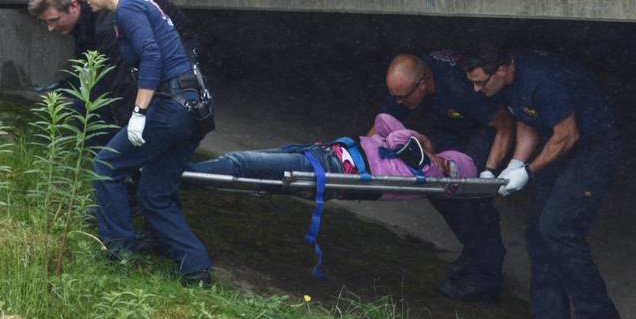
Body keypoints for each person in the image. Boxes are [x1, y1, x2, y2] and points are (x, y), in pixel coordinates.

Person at [463, 43, 623, 319]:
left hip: (593, 147)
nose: (477, 89)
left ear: (504, 69)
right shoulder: (507, 84)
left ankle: (597, 314)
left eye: (482, 82)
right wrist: (514, 165)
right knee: (538, 229)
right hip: (561, 145)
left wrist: (530, 171)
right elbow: (528, 122)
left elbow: (567, 134)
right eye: (472, 82)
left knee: (558, 226)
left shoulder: (542, 79)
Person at [76, 0, 213, 287]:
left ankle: (119, 253)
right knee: (154, 192)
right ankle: (195, 269)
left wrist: (139, 113)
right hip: (195, 108)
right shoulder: (142, 0)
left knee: (106, 167)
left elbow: (151, 55)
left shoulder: (128, 8)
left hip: (173, 108)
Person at [385, 51, 515, 301]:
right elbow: (387, 119)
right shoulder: (405, 84)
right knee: (436, 188)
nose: (398, 102)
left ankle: (486, 279)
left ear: (422, 84)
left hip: (484, 130)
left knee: (468, 196)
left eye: (402, 97)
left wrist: (488, 173)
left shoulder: (460, 87)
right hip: (448, 128)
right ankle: (473, 249)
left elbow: (504, 123)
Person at [25, 0, 201, 142]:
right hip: (145, 55)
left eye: (53, 20)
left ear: (73, 5)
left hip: (178, 60)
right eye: (45, 22)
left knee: (110, 109)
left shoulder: (107, 23)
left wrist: (130, 127)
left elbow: (122, 82)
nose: (49, 28)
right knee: (86, 103)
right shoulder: (86, 18)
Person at [189, 113, 481, 189]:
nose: (445, 166)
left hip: (332, 166)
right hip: (329, 157)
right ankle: (176, 176)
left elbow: (395, 138)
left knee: (240, 164)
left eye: (452, 169)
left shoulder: (427, 169)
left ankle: (174, 177)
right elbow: (383, 119)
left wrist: (422, 140)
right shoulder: (422, 158)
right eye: (448, 162)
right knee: (243, 162)